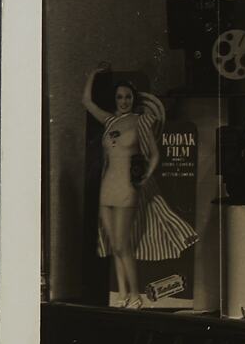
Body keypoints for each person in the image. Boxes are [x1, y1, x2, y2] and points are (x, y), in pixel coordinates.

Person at [82, 66, 197, 308]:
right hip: (107, 188)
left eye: (128, 97)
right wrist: (92, 75)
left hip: (126, 188)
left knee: (124, 244)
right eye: (119, 97)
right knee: (114, 245)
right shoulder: (111, 120)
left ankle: (135, 294)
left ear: (134, 99)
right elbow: (87, 102)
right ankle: (122, 294)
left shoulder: (141, 121)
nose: (123, 101)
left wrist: (145, 177)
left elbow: (154, 155)